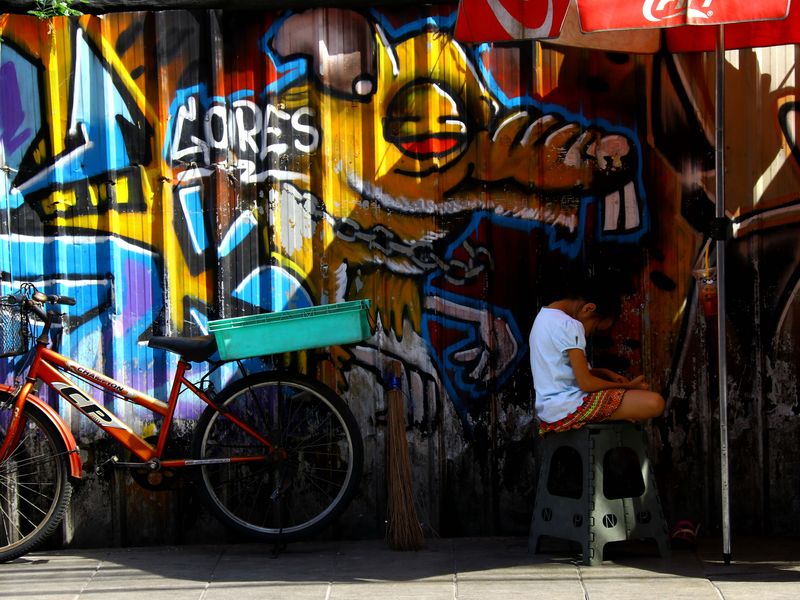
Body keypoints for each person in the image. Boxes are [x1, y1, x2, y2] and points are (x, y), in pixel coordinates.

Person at [529, 283, 665, 435]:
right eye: (594, 328)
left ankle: (611, 414)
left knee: (638, 407)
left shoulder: (543, 318)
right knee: (655, 403)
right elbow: (586, 383)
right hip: (569, 406)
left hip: (551, 410)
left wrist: (604, 372)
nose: (588, 334)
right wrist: (629, 387)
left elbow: (562, 371)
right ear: (588, 309)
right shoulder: (570, 325)